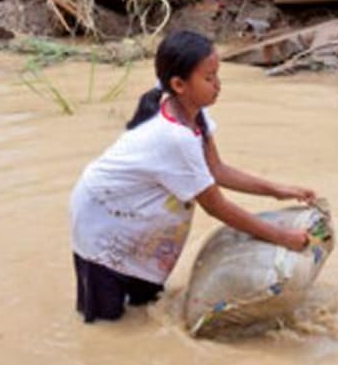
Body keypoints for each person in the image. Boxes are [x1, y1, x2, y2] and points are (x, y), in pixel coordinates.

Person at [69, 30, 317, 323]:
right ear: (178, 84)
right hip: (104, 225)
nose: (218, 86)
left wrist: (279, 190)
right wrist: (282, 236)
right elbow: (215, 205)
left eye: (217, 76)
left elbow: (217, 170)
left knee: (144, 307)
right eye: (209, 79)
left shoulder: (192, 112)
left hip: (134, 219)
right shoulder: (176, 137)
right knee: (105, 326)